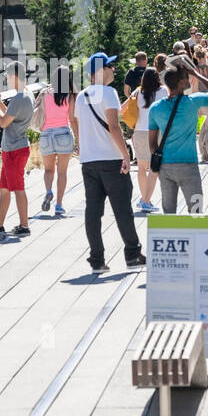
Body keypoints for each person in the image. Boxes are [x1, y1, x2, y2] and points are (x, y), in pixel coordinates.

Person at [74, 52, 146, 273]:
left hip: (89, 161)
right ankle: (132, 253)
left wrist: (82, 148)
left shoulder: (81, 96)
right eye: (110, 66)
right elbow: (114, 126)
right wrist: (126, 154)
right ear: (100, 71)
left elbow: (77, 125)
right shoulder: (109, 93)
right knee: (122, 208)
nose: (114, 70)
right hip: (111, 160)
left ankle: (97, 258)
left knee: (93, 211)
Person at [148, 62, 208, 214]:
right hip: (188, 166)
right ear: (181, 83)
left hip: (165, 167)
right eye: (187, 78)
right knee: (196, 211)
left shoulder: (155, 108)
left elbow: (152, 144)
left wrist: (158, 165)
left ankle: (172, 238)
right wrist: (196, 74)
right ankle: (195, 238)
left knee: (169, 214)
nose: (189, 81)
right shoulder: (192, 102)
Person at [0, 61, 35, 238]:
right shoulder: (27, 94)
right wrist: (0, 102)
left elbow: (3, 122)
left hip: (14, 150)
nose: (7, 80)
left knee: (17, 188)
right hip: (15, 147)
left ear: (15, 76)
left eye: (8, 76)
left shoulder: (19, 98)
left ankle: (24, 225)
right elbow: (11, 115)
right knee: (4, 187)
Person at [34, 64, 78, 215]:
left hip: (46, 135)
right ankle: (59, 205)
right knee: (62, 172)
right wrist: (78, 140)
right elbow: (72, 119)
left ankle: (48, 191)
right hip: (63, 134)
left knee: (48, 170)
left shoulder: (44, 93)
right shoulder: (69, 96)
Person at [130, 65, 168, 210]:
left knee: (141, 168)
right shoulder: (163, 91)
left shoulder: (138, 92)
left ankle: (144, 198)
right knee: (154, 168)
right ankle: (146, 200)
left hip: (139, 132)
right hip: (155, 133)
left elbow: (123, 108)